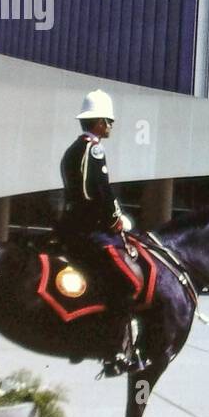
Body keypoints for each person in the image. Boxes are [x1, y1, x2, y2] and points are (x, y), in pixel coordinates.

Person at [56, 89, 142, 375]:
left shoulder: (72, 149)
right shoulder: (94, 149)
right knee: (127, 281)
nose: (111, 126)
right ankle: (116, 351)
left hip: (72, 228)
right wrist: (115, 219)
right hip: (90, 231)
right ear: (98, 123)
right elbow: (98, 192)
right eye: (109, 121)